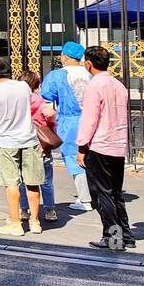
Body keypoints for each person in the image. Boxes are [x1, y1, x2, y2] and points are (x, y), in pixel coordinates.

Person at [78, 46, 134, 250]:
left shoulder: (94, 86)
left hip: (100, 145)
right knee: (116, 191)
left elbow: (90, 119)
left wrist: (81, 146)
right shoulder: (118, 85)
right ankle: (126, 234)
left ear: (88, 63)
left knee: (103, 193)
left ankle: (113, 236)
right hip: (118, 144)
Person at [0, 57, 45, 237]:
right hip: (29, 139)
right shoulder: (23, 87)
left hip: (6, 141)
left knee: (11, 183)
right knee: (32, 182)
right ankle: (35, 221)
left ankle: (16, 223)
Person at [40, 40, 94, 212]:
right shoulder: (90, 73)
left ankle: (85, 199)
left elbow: (47, 95)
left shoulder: (57, 75)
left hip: (70, 122)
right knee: (91, 158)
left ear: (64, 55)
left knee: (73, 158)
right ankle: (94, 194)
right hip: (92, 119)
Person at [20, 70, 59, 223]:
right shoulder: (39, 100)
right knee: (46, 180)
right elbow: (50, 114)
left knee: (23, 180)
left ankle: (24, 209)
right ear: (36, 85)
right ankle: (49, 209)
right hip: (41, 145)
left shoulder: (19, 100)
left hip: (23, 142)